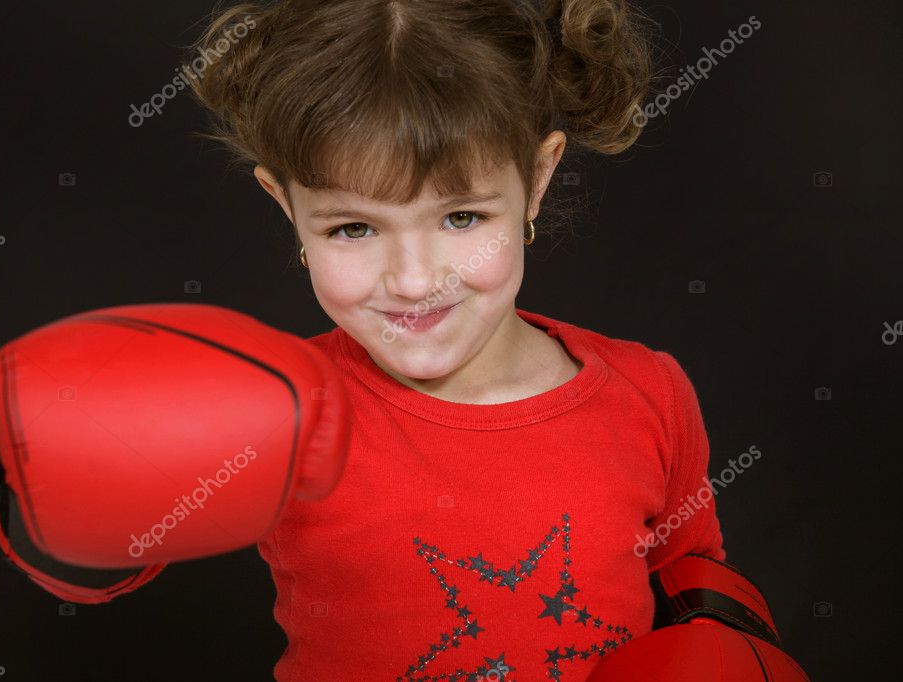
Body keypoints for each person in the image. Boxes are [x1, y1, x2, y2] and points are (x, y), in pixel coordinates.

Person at [183, 1, 721, 679]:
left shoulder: (649, 395)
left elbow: (698, 599)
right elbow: (91, 552)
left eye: (461, 216)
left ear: (537, 178)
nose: (412, 282)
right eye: (352, 228)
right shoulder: (274, 410)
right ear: (286, 207)